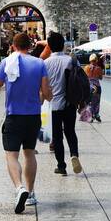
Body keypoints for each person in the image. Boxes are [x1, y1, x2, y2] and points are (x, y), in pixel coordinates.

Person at [0, 30, 52, 213]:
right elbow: (47, 94)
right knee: (29, 154)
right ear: (30, 46)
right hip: (33, 117)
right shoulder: (39, 64)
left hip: (13, 116)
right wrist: (40, 98)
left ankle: (19, 187)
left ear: (13, 46)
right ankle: (30, 193)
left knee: (11, 155)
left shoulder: (7, 62)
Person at [43, 31, 84, 176]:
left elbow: (43, 86)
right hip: (69, 103)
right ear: (63, 45)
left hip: (53, 105)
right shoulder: (71, 61)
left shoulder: (45, 63)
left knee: (57, 136)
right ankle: (74, 154)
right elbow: (79, 81)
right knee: (70, 131)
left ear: (49, 46)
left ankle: (61, 165)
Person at [84, 52, 104, 122]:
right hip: (97, 87)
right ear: (96, 60)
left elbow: (84, 77)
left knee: (89, 102)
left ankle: (90, 116)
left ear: (90, 60)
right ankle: (96, 114)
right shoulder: (99, 68)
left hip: (89, 87)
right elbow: (101, 78)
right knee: (97, 102)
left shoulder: (86, 68)